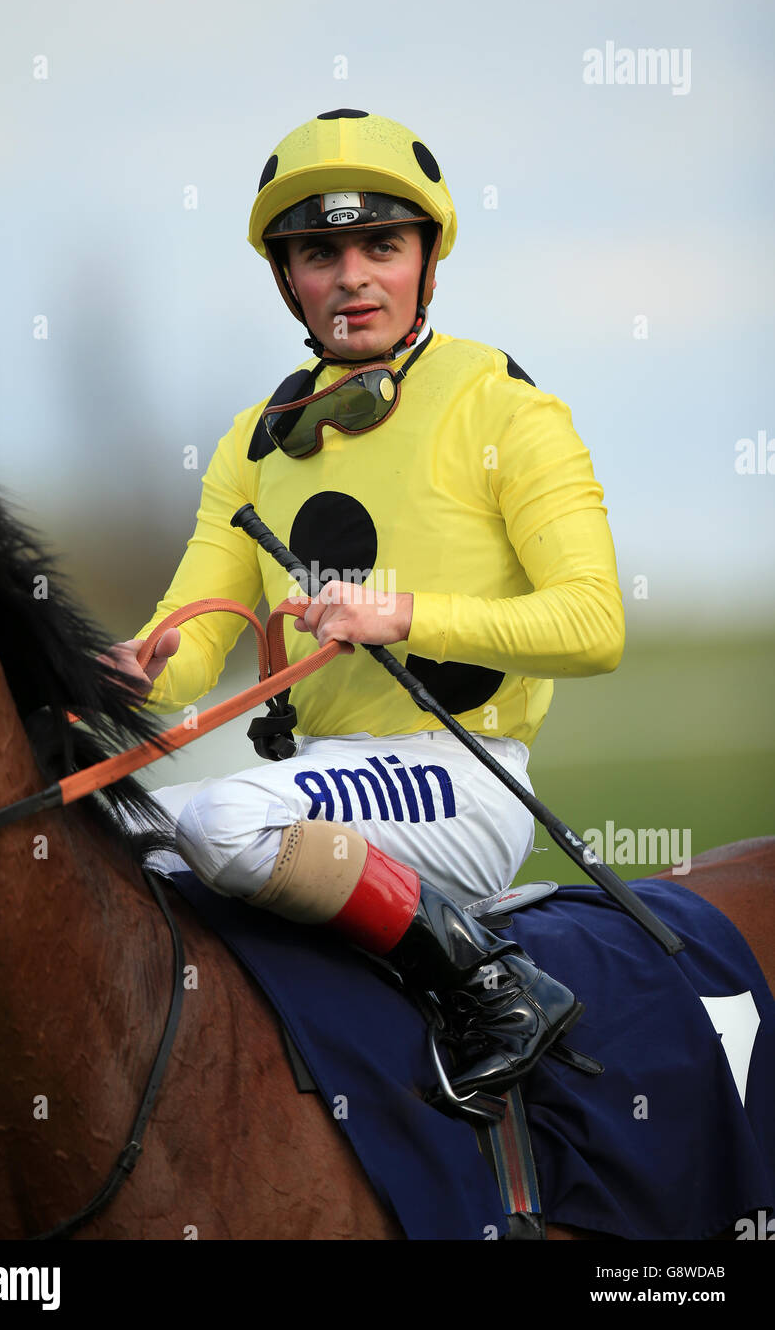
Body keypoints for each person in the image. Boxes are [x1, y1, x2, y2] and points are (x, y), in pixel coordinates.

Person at [107, 109, 626, 1099]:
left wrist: (401, 615)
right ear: (286, 278)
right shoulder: (255, 441)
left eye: (380, 245)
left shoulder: (506, 408)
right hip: (320, 785)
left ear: (425, 258)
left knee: (223, 823)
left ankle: (491, 981)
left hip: (462, 782)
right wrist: (121, 665)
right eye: (318, 252)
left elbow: (592, 624)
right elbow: (194, 631)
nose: (351, 276)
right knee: (105, 840)